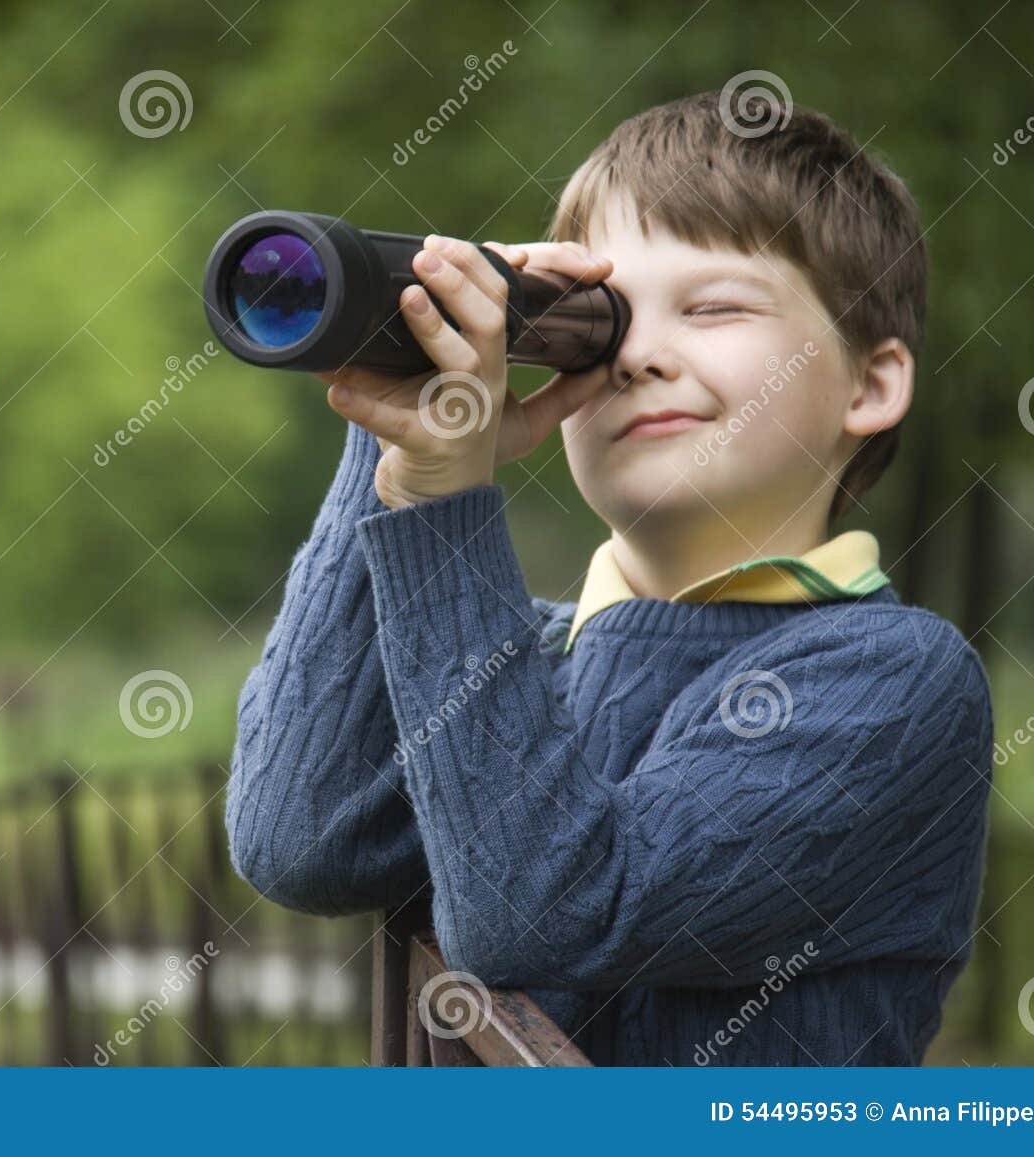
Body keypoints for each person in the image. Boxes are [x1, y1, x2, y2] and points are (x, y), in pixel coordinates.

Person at [224, 91, 993, 1066]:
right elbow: (301, 834)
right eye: (601, 322)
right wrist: (395, 443)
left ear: (870, 382)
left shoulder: (895, 680)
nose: (640, 360)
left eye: (712, 307)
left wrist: (445, 512)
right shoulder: (510, 660)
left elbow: (541, 909)